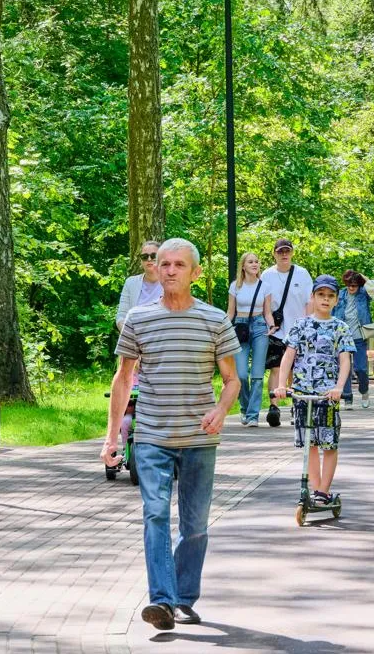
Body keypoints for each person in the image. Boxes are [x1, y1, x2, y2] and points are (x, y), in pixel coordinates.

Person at [103, 238, 243, 632]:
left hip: (199, 439)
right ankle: (161, 601)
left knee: (195, 525)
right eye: (164, 263)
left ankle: (183, 597)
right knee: (155, 513)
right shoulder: (139, 318)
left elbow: (232, 380)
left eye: (179, 264)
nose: (169, 270)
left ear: (195, 273)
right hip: (151, 435)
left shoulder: (215, 320)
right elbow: (123, 379)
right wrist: (111, 438)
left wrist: (220, 409)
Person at [273, 274, 356, 508]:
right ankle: (315, 489)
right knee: (309, 442)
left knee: (328, 442)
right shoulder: (301, 325)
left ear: (336, 300)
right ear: (313, 297)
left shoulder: (340, 327)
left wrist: (339, 387)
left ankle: (323, 490)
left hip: (327, 395)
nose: (325, 300)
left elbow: (345, 360)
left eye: (330, 296)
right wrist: (282, 385)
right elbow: (289, 355)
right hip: (303, 393)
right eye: (321, 295)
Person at [261, 236, 314, 428]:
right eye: (280, 251)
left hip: (298, 329)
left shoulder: (302, 273)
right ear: (274, 254)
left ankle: (295, 406)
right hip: (276, 330)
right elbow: (264, 302)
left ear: (291, 253)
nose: (284, 254)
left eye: (287, 251)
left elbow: (310, 300)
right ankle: (273, 406)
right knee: (275, 368)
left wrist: (307, 325)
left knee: (295, 370)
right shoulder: (267, 275)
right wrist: (268, 322)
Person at [226, 251, 275, 426]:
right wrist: (223, 329)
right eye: (250, 262)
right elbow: (230, 312)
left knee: (257, 374)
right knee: (241, 374)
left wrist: (271, 326)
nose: (254, 264)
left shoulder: (265, 286)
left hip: (260, 327)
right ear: (243, 266)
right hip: (240, 327)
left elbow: (267, 312)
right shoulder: (235, 286)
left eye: (256, 261)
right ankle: (244, 408)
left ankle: (253, 415)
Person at [332, 270, 374, 408]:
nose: (352, 288)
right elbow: (332, 312)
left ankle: (364, 390)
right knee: (345, 368)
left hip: (359, 337)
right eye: (349, 285)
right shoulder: (340, 294)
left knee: (361, 368)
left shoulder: (364, 293)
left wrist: (364, 277)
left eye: (355, 285)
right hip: (343, 337)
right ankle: (347, 397)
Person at [117, 239, 165, 326]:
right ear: (141, 261)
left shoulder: (170, 282)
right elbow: (121, 316)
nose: (149, 259)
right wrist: (130, 335)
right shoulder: (131, 283)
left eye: (154, 256)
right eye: (145, 257)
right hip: (134, 336)